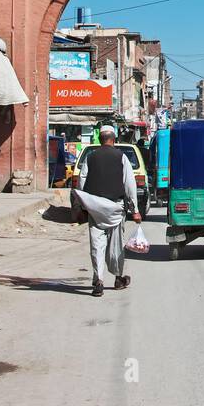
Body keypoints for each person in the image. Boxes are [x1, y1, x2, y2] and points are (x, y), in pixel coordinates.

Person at [75, 125, 140, 297]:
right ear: (114, 139)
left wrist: (81, 206)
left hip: (95, 208)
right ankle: (118, 278)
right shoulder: (122, 157)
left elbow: (81, 184)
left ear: (99, 139)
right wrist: (135, 210)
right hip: (115, 208)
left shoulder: (90, 157)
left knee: (97, 246)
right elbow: (130, 185)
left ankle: (98, 281)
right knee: (116, 244)